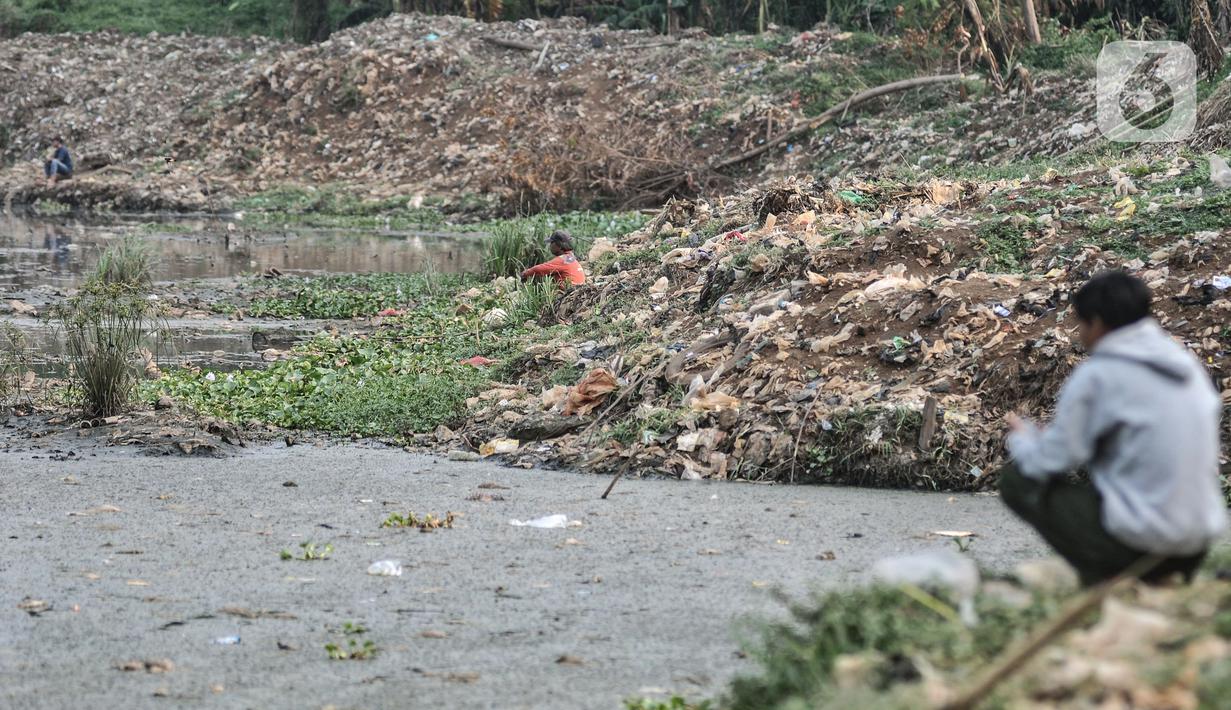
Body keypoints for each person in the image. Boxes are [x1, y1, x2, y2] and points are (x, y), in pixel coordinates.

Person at [1000, 270, 1227, 586]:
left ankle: (1107, 577)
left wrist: (1022, 440)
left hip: (1145, 542)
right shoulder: (1185, 365)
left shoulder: (1099, 375)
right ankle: (1168, 576)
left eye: (1081, 324)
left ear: (1098, 323)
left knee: (1017, 481)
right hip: (1197, 541)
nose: (1079, 334)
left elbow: (1053, 461)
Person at [520, 230, 585, 286]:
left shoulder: (562, 260)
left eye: (551, 242)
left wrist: (525, 274)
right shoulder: (571, 257)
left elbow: (539, 269)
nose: (550, 245)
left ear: (559, 245)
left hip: (570, 292)